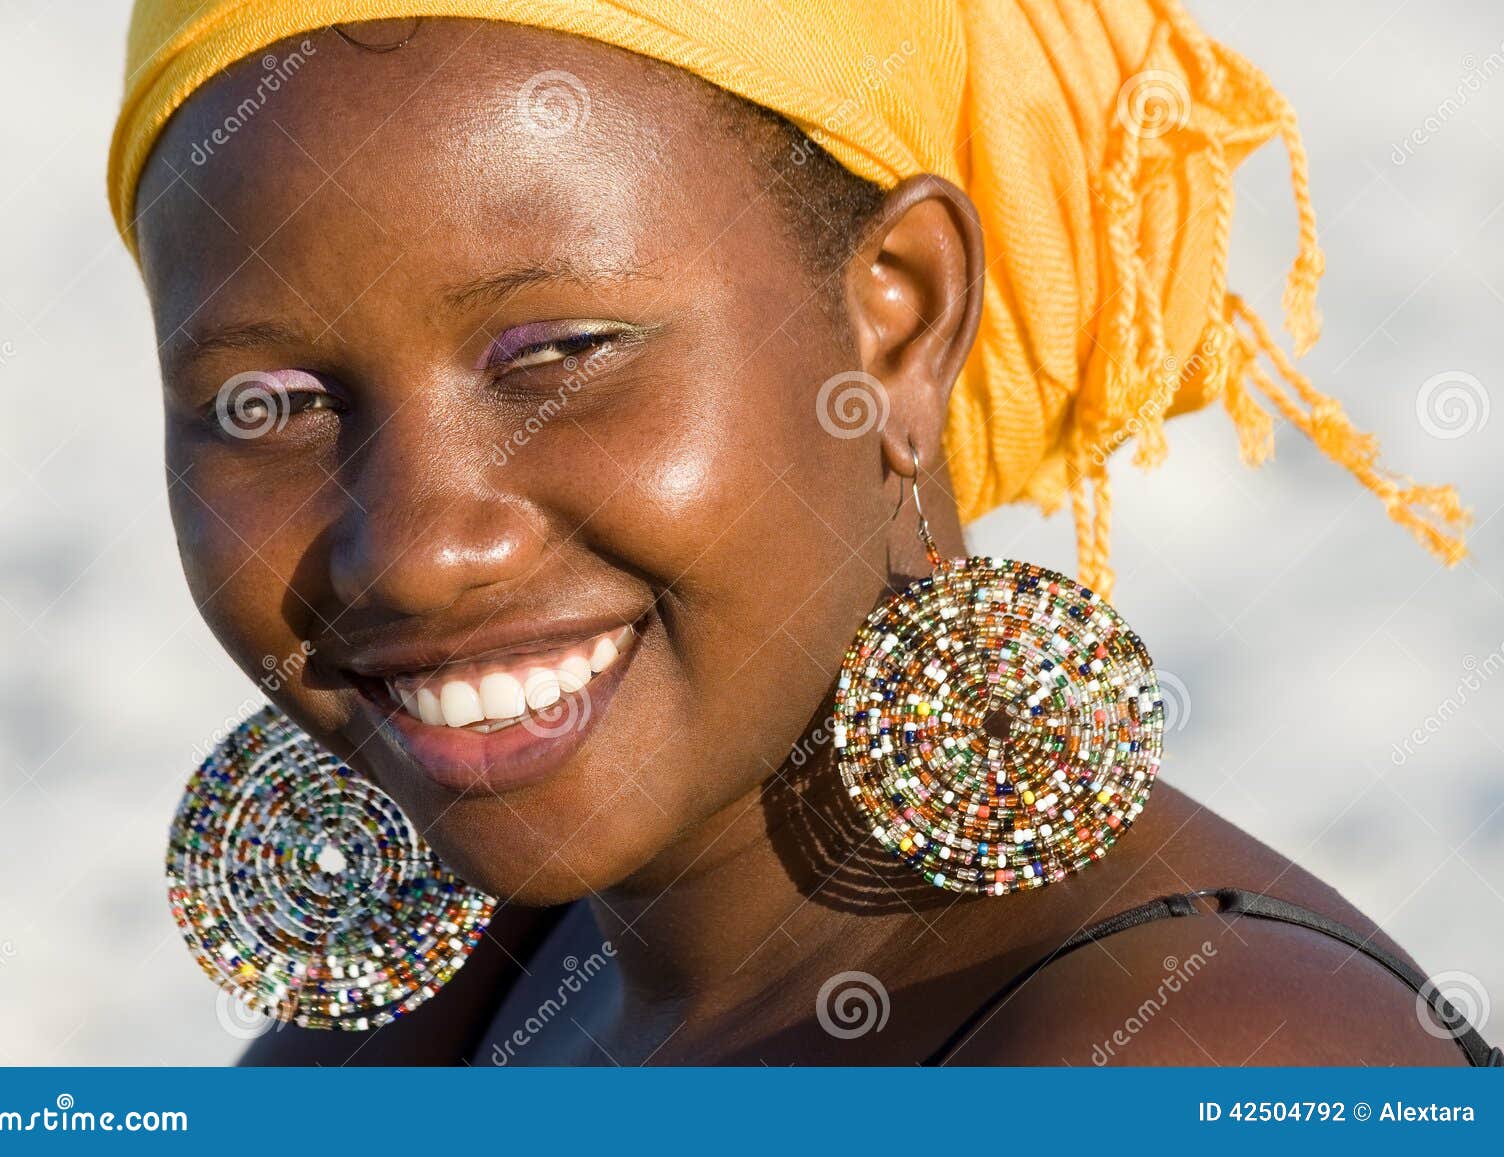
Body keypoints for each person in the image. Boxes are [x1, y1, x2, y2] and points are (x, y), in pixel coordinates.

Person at [110, 2, 1491, 1065]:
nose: (412, 552)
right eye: (269, 403)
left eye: (559, 353)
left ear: (897, 322)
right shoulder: (449, 1016)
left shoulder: (1201, 1056)